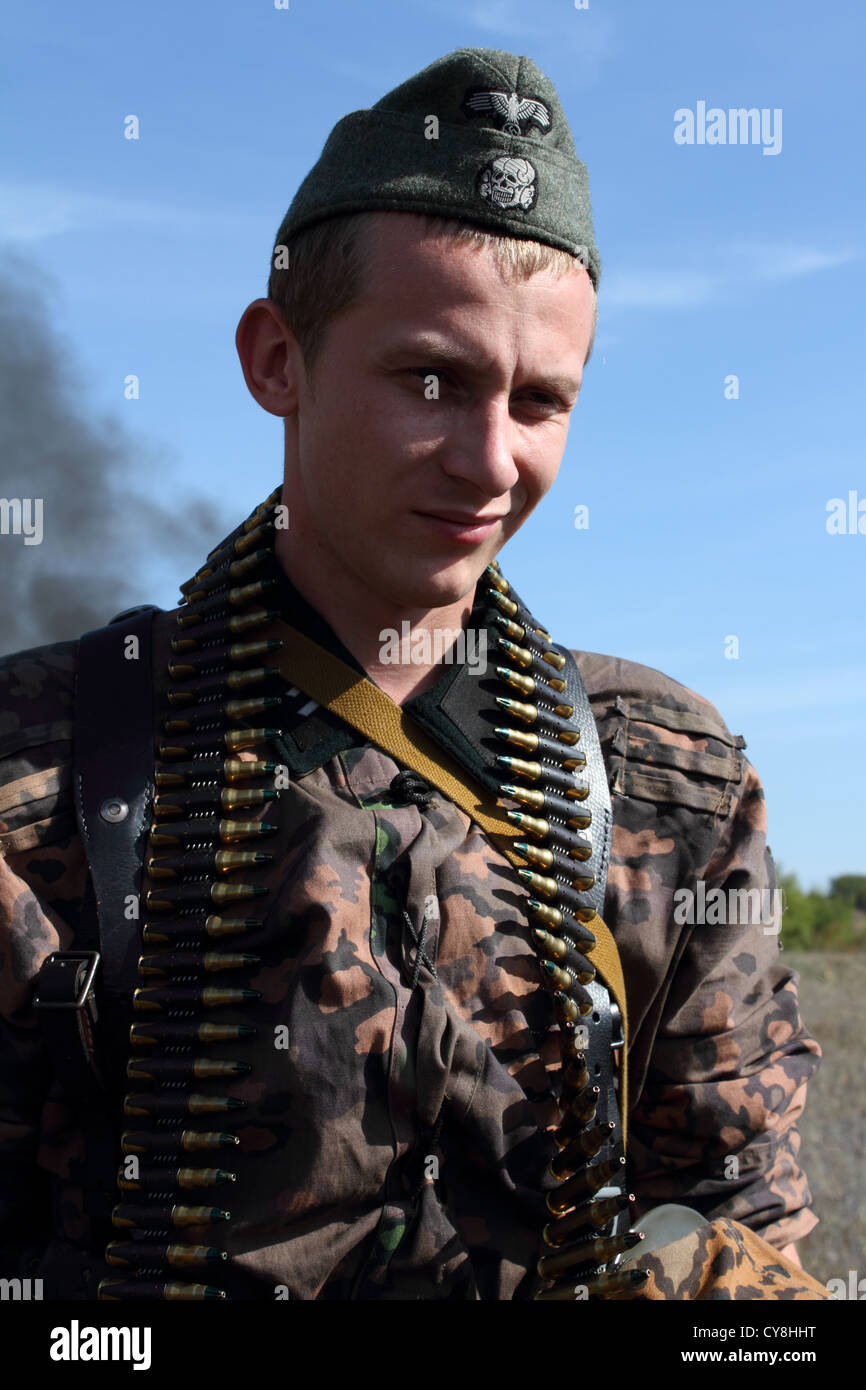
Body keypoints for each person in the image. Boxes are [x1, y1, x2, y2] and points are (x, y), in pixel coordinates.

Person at [0, 46, 828, 1301]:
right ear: (277, 359)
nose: (490, 460)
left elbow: (738, 1213)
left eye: (540, 399)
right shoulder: (43, 758)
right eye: (431, 379)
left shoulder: (665, 774)